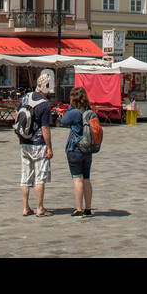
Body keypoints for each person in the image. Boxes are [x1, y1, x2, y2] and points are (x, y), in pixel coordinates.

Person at [18, 69, 56, 217]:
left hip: (24, 141)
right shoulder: (45, 104)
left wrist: (20, 136)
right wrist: (49, 147)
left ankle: (26, 207)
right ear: (46, 86)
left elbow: (17, 116)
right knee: (40, 176)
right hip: (39, 143)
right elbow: (45, 128)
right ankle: (40, 208)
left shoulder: (25, 98)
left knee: (25, 175)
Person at [61, 87, 95, 217]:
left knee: (77, 178)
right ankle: (88, 207)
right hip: (88, 149)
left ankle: (79, 208)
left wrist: (70, 108)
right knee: (86, 178)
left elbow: (63, 121)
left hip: (75, 148)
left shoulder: (74, 112)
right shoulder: (89, 111)